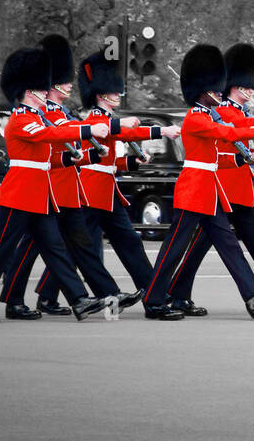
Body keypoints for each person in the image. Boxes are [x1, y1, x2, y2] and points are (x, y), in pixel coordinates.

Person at [141, 44, 254, 321]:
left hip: (210, 191)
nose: (220, 92)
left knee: (229, 246)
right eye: (215, 88)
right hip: (194, 190)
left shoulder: (208, 114)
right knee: (174, 248)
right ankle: (153, 300)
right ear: (202, 89)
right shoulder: (195, 118)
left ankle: (252, 297)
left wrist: (245, 159)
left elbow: (220, 159)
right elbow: (228, 132)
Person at [0, 46, 111, 324]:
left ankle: (78, 299)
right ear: (29, 91)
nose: (47, 93)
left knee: (55, 248)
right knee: (0, 251)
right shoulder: (20, 120)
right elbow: (50, 134)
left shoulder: (36, 116)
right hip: (19, 193)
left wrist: (86, 152)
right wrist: (88, 129)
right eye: (43, 90)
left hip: (40, 194)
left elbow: (50, 155)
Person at [5, 34, 142, 319]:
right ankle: (14, 298)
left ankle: (104, 293)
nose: (70, 85)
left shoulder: (60, 112)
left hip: (67, 189)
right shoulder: (44, 114)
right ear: (49, 85)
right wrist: (92, 132)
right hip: (46, 188)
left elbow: (76, 134)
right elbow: (62, 133)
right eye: (64, 81)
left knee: (79, 243)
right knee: (31, 249)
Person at [75, 49, 179, 308]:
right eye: (113, 92)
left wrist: (131, 161)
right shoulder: (96, 120)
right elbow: (127, 135)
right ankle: (54, 292)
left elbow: (112, 159)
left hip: (106, 189)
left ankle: (152, 292)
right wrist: (162, 131)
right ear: (101, 95)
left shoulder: (107, 118)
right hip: (91, 190)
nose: (118, 95)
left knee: (128, 241)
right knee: (78, 247)